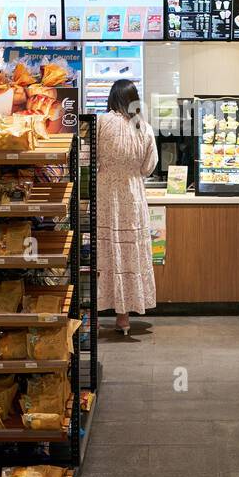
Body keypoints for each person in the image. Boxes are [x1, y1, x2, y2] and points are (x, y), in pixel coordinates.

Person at [96, 79, 158, 336]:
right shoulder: (143, 127)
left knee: (105, 250)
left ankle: (95, 312)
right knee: (129, 251)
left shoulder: (100, 123)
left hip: (105, 194)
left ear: (111, 98)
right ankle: (124, 318)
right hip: (132, 195)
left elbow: (89, 155)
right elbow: (148, 166)